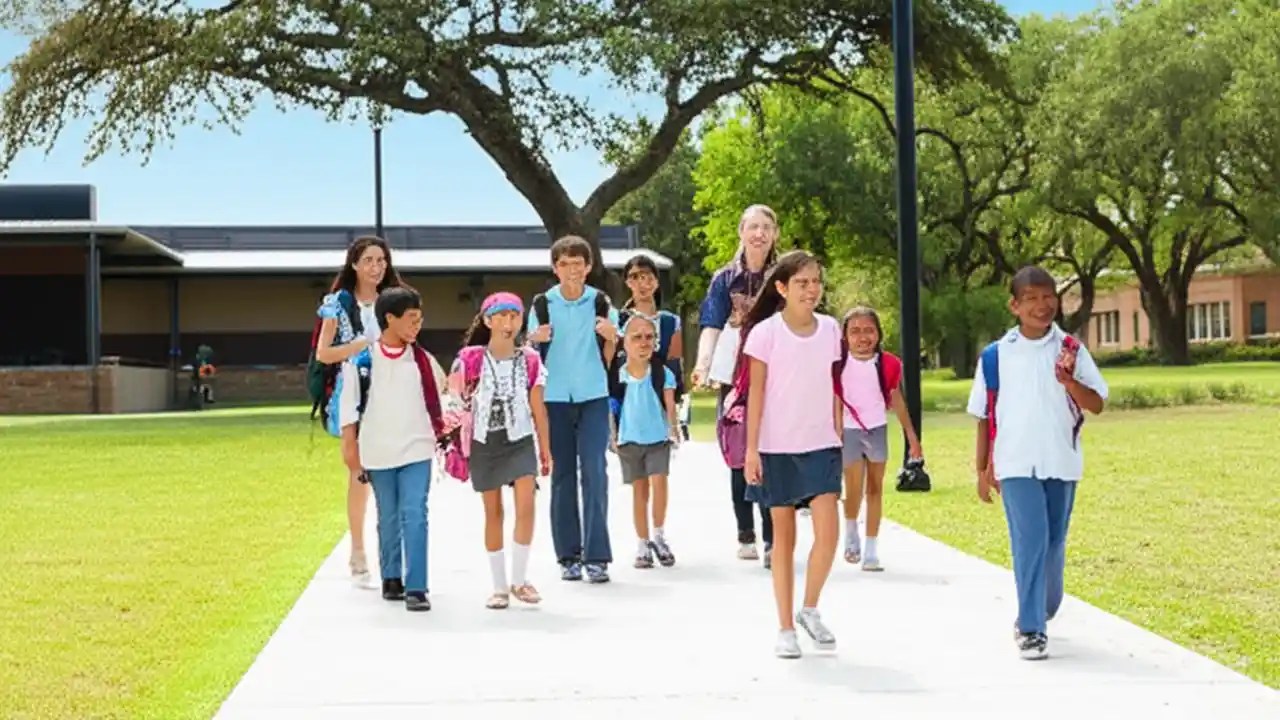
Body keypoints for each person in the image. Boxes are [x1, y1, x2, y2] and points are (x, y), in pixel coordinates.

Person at [967, 266, 1108, 660]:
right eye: (1031, 298)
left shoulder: (1072, 351)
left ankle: (1042, 606)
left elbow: (1097, 403)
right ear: (1015, 305)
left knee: (1052, 543)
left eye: (1048, 297)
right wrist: (982, 469)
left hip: (1061, 461)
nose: (1042, 305)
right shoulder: (996, 356)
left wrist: (1070, 382)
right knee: (1029, 542)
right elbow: (984, 415)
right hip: (1014, 465)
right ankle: (1030, 628)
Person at [740, 250, 843, 659]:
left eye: (816, 281)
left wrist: (838, 427)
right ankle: (785, 627)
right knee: (784, 539)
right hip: (776, 447)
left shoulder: (832, 329)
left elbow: (834, 382)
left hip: (822, 444)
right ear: (781, 288)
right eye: (802, 282)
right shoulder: (765, 333)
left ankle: (810, 608)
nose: (812, 289)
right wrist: (751, 450)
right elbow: (756, 394)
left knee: (829, 534)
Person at [336, 286, 448, 612]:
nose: (417, 325)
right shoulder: (363, 362)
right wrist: (350, 447)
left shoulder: (423, 360)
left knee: (415, 513)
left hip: (417, 448)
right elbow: (349, 407)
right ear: (390, 319)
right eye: (411, 319)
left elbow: (442, 392)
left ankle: (417, 586)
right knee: (389, 516)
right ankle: (391, 576)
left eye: (420, 319)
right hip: (378, 451)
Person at [525, 235, 620, 584]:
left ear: (588, 266)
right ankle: (568, 556)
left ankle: (597, 556)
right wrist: (532, 340)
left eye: (578, 264)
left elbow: (611, 345)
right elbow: (528, 353)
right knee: (562, 475)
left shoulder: (599, 301)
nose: (572, 271)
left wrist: (612, 335)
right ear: (555, 268)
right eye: (564, 264)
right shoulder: (541, 304)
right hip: (554, 399)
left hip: (593, 395)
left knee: (595, 472)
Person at [449, 293, 552, 609]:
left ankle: (520, 579)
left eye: (514, 316)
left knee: (526, 505)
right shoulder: (470, 358)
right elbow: (454, 397)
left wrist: (545, 449)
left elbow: (537, 405)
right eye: (502, 316)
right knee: (493, 511)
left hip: (520, 438)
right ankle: (498, 586)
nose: (509, 323)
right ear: (488, 321)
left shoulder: (531, 359)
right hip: (484, 441)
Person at [313, 235, 405, 589]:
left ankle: (392, 551)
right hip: (353, 392)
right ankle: (358, 548)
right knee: (358, 471)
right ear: (354, 264)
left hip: (391, 391)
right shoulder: (339, 303)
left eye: (381, 260)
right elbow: (324, 353)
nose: (376, 267)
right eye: (368, 260)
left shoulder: (396, 299)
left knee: (391, 467)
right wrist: (361, 345)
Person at [692, 204, 780, 567]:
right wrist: (702, 363)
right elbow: (711, 324)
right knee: (737, 450)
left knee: (775, 451)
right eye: (752, 227)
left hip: (776, 372)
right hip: (734, 372)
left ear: (775, 233)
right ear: (741, 232)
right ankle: (746, 532)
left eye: (766, 227)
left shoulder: (784, 275)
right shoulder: (724, 279)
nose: (759, 233)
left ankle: (775, 536)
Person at [834, 307, 924, 571]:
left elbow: (896, 399)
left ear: (878, 333)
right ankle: (851, 533)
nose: (863, 337)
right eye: (855, 331)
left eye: (869, 330)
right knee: (853, 488)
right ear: (845, 336)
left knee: (875, 488)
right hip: (849, 431)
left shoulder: (888, 364)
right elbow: (836, 398)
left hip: (876, 429)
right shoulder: (838, 364)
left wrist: (912, 437)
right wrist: (836, 430)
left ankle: (871, 548)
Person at [608, 314, 680, 569]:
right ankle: (643, 541)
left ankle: (659, 535)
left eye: (649, 337)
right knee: (640, 492)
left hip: (657, 438)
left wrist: (674, 430)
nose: (643, 343)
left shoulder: (662, 373)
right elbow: (613, 408)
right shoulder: (619, 375)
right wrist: (613, 437)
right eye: (636, 337)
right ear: (624, 342)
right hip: (630, 440)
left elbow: (670, 404)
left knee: (659, 482)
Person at [617, 255, 686, 438]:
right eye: (634, 277)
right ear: (627, 282)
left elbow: (674, 363)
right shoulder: (619, 321)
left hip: (660, 402)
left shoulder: (670, 322)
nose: (642, 283)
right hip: (629, 404)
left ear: (656, 282)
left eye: (647, 276)